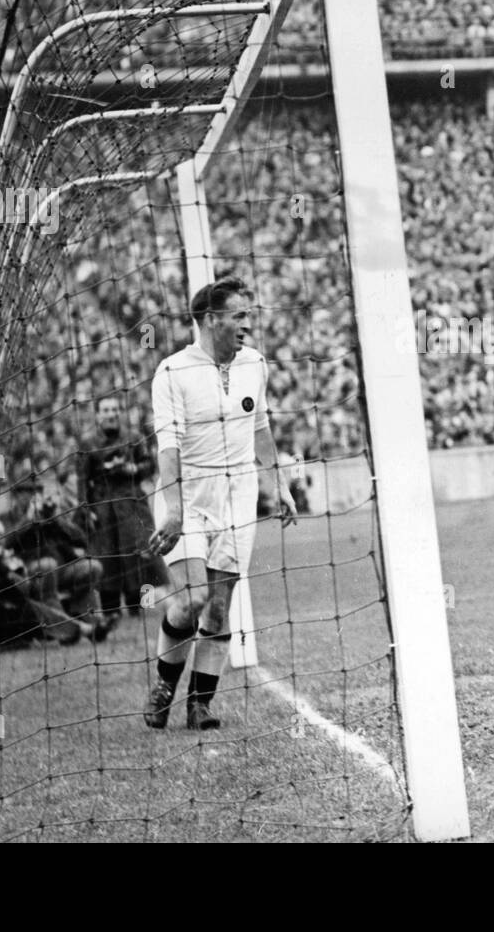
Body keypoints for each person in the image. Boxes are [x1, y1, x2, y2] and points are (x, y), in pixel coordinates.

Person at [144, 277, 297, 732]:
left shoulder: (255, 364)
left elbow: (261, 427)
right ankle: (164, 687)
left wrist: (279, 483)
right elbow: (168, 446)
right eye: (239, 315)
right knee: (192, 599)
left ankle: (200, 705)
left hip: (237, 497)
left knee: (218, 606)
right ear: (211, 319)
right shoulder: (172, 371)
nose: (247, 324)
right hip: (187, 496)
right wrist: (173, 509)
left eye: (248, 315)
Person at [78, 395, 163, 624]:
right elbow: (82, 479)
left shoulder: (133, 437)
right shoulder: (88, 443)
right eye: (106, 410)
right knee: (108, 559)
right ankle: (111, 610)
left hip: (132, 503)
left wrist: (131, 468)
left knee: (141, 553)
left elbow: (149, 465)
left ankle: (144, 606)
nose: (111, 414)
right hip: (103, 506)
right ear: (98, 415)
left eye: (115, 409)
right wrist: (85, 509)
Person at [0, 472, 110, 645]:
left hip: (60, 569)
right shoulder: (7, 518)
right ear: (17, 495)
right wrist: (28, 520)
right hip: (29, 571)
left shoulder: (47, 514)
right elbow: (5, 543)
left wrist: (56, 519)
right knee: (47, 565)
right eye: (27, 492)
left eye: (36, 491)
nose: (32, 495)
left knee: (92, 567)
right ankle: (67, 630)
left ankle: (96, 623)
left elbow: (80, 539)